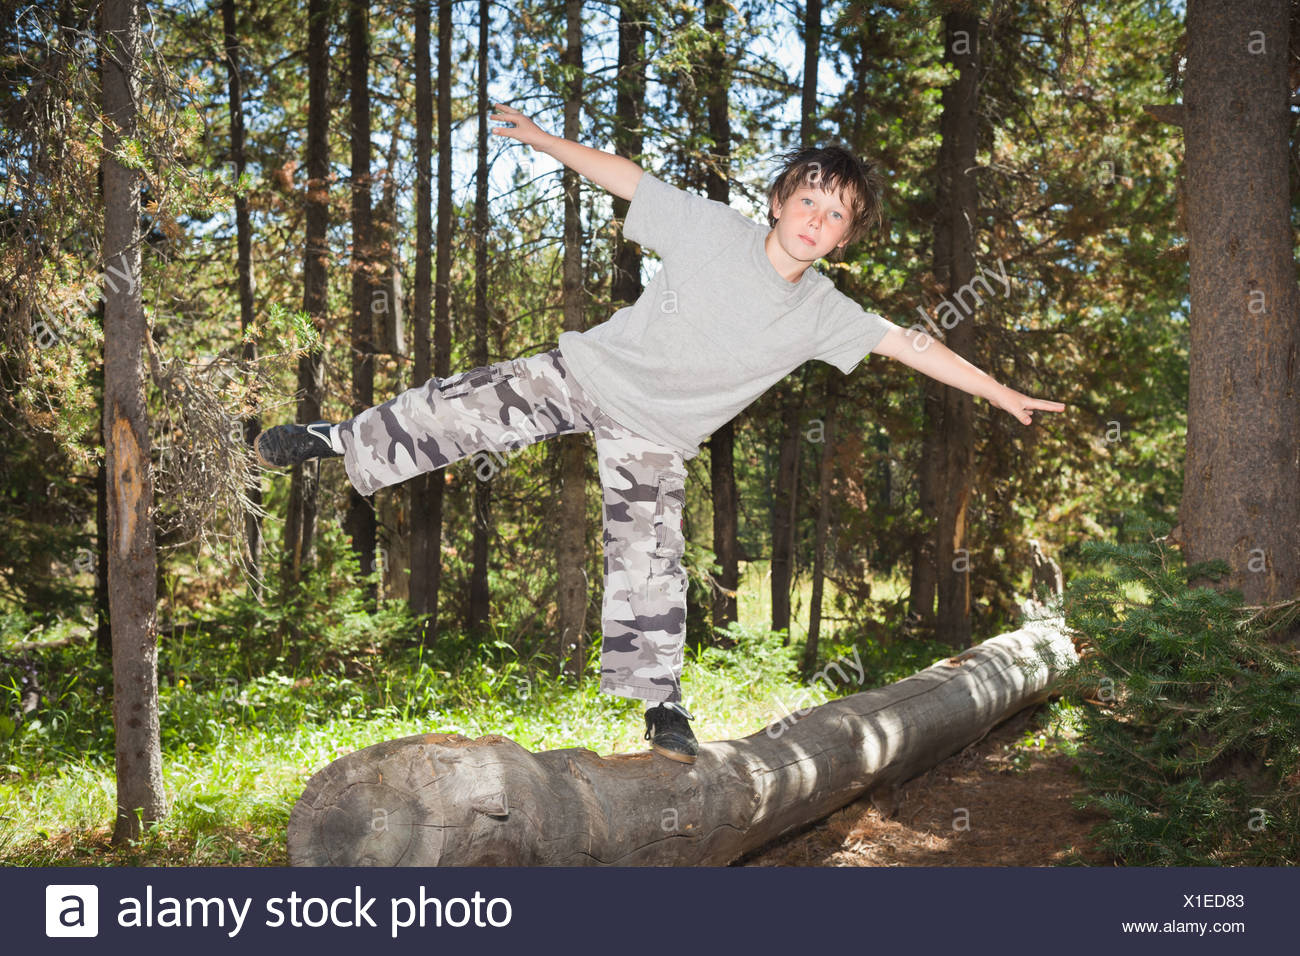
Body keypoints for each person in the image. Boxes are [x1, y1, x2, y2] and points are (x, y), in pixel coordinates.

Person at [256, 103, 1066, 765]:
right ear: (780, 199)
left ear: (845, 238)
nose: (817, 219)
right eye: (808, 200)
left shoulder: (827, 312)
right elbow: (631, 179)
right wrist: (542, 141)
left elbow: (911, 344)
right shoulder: (712, 230)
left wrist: (998, 392)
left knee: (651, 562)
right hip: (589, 372)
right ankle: (339, 439)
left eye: (836, 215)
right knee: (469, 402)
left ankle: (661, 706)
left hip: (655, 435)